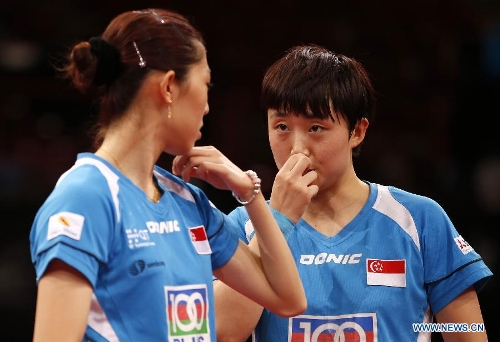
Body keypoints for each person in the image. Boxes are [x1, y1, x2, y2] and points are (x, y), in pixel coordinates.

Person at [29, 8, 307, 342]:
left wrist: (249, 193)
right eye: (205, 83)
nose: (207, 106)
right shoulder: (86, 197)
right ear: (169, 87)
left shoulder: (187, 199)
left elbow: (288, 299)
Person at [213, 45, 493, 341]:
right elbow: (221, 332)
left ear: (357, 131)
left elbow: (466, 332)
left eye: (316, 127)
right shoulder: (244, 226)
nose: (297, 148)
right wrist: (277, 222)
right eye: (282, 126)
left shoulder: (418, 220)